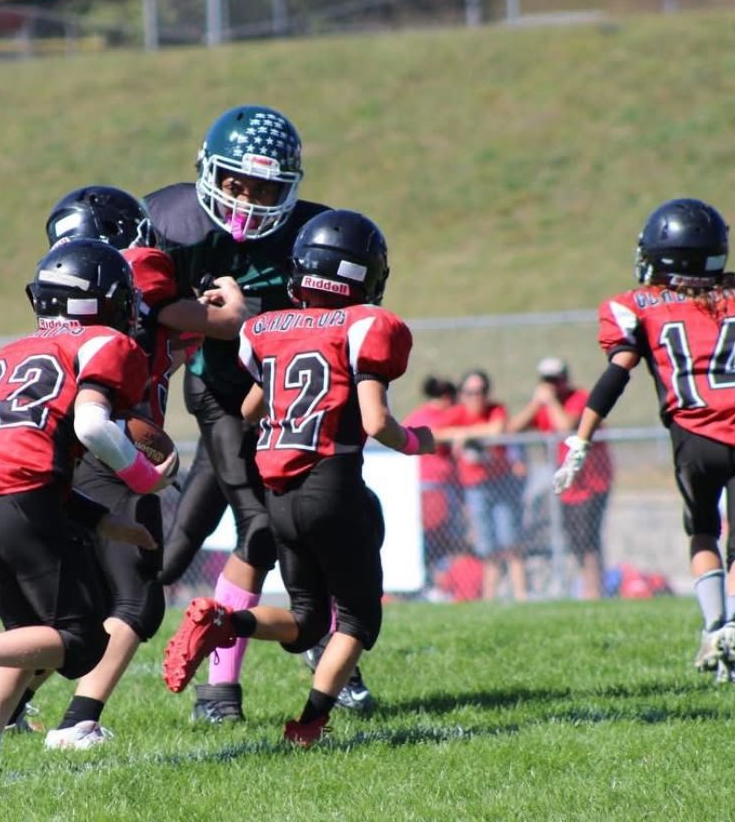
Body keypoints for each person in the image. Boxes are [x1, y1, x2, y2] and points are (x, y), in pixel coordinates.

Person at [0, 185, 248, 751]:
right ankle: (77, 721)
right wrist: (227, 295)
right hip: (113, 447)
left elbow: (171, 331)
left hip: (52, 453)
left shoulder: (71, 305)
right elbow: (221, 321)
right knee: (134, 601)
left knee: (69, 608)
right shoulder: (140, 271)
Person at [0, 238, 177, 783]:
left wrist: (104, 521)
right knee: (81, 642)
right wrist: (144, 479)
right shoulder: (107, 343)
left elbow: (26, 453)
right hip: (20, 497)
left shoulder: (14, 349)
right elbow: (92, 426)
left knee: (27, 632)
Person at [161, 209, 434, 747]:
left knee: (308, 620)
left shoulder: (267, 328)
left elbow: (248, 408)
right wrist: (416, 441)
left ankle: (227, 623)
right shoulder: (364, 325)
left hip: (280, 495)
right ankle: (309, 724)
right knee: (356, 621)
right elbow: (376, 421)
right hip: (332, 485)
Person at [145, 104, 376, 723]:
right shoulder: (173, 225)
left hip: (281, 410)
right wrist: (229, 323)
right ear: (208, 174)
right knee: (263, 530)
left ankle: (326, 646)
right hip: (223, 397)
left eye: (267, 187)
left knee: (170, 558)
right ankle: (220, 693)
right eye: (236, 183)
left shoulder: (315, 232)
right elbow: (154, 308)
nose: (249, 200)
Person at [553, 197, 735, 683]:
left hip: (693, 438)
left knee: (703, 532)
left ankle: (712, 625)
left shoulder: (637, 306)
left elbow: (614, 377)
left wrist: (580, 441)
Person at [509, 357, 614, 600]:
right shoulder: (544, 404)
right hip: (567, 485)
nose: (552, 385)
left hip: (591, 481)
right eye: (547, 380)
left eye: (556, 380)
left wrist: (552, 402)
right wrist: (536, 405)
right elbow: (514, 429)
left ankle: (594, 591)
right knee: (575, 540)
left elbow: (566, 426)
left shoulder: (580, 399)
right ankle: (587, 588)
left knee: (589, 538)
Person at [433, 370, 529, 602]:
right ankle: (490, 599)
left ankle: (521, 596)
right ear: (462, 394)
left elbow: (496, 429)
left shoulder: (496, 409)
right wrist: (461, 434)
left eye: (480, 392)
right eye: (469, 392)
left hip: (502, 483)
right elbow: (435, 434)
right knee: (487, 547)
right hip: (474, 487)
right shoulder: (457, 413)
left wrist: (464, 434)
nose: (476, 397)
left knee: (510, 543)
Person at [403, 377, 461, 581]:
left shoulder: (416, 415)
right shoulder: (439, 416)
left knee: (431, 538)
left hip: (428, 487)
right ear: (447, 397)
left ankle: (434, 580)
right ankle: (435, 581)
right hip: (434, 487)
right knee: (438, 538)